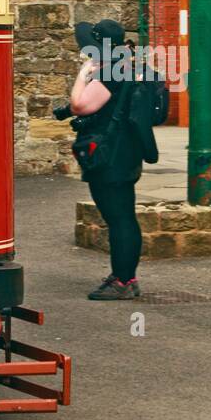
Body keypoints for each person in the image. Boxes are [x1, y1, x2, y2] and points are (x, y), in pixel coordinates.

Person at [64, 18, 145, 301]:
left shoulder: (111, 72)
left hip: (110, 155)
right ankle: (126, 276)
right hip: (127, 150)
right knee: (124, 216)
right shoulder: (129, 65)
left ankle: (123, 281)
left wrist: (84, 73)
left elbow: (80, 104)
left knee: (119, 218)